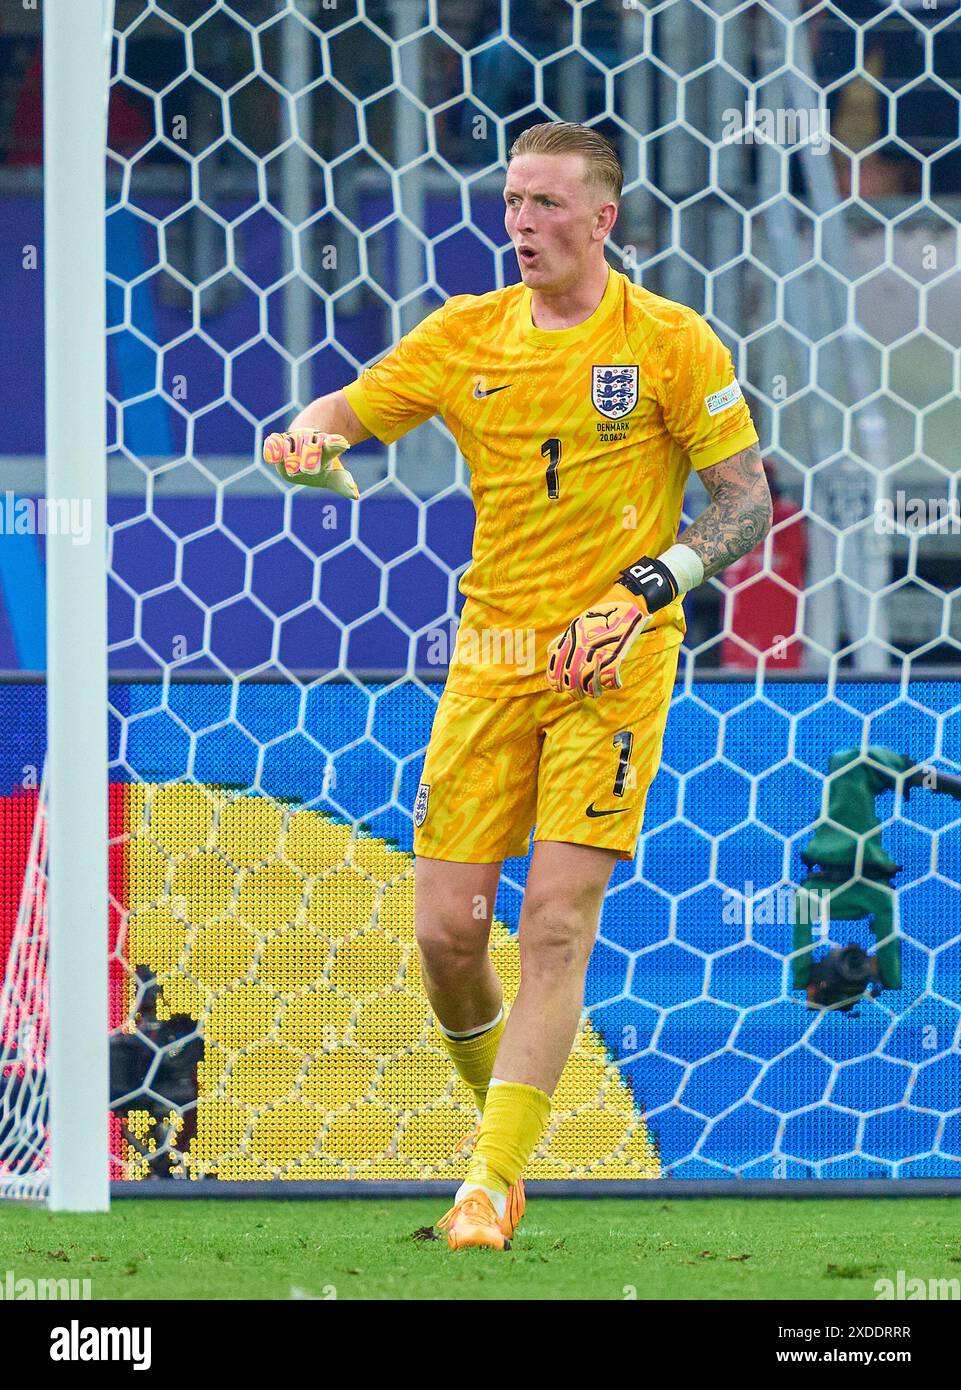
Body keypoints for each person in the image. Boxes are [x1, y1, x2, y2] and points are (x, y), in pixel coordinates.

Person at [263, 121, 772, 1249]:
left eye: (545, 205)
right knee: (448, 933)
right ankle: (507, 1136)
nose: (520, 225)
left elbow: (746, 502)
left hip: (614, 656)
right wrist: (303, 438)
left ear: (602, 218)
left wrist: (644, 588)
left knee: (553, 920)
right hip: (491, 657)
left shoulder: (670, 342)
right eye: (509, 203)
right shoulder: (464, 333)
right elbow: (347, 411)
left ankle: (487, 1180)